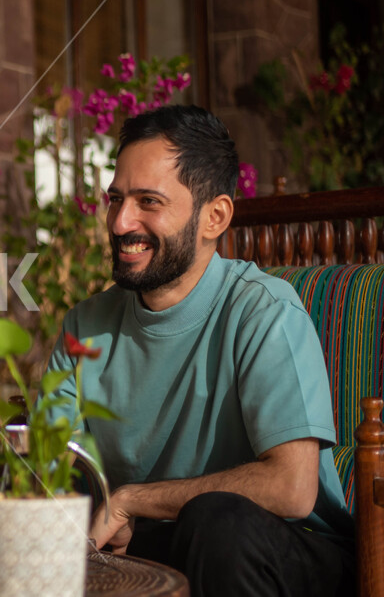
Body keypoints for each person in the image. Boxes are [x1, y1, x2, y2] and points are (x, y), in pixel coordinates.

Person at [46, 105, 354, 596]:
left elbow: (292, 489)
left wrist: (129, 500)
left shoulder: (264, 312)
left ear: (215, 217)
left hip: (286, 551)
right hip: (152, 547)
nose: (122, 221)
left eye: (149, 201)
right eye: (116, 199)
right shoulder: (85, 327)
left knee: (218, 523)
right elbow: (45, 471)